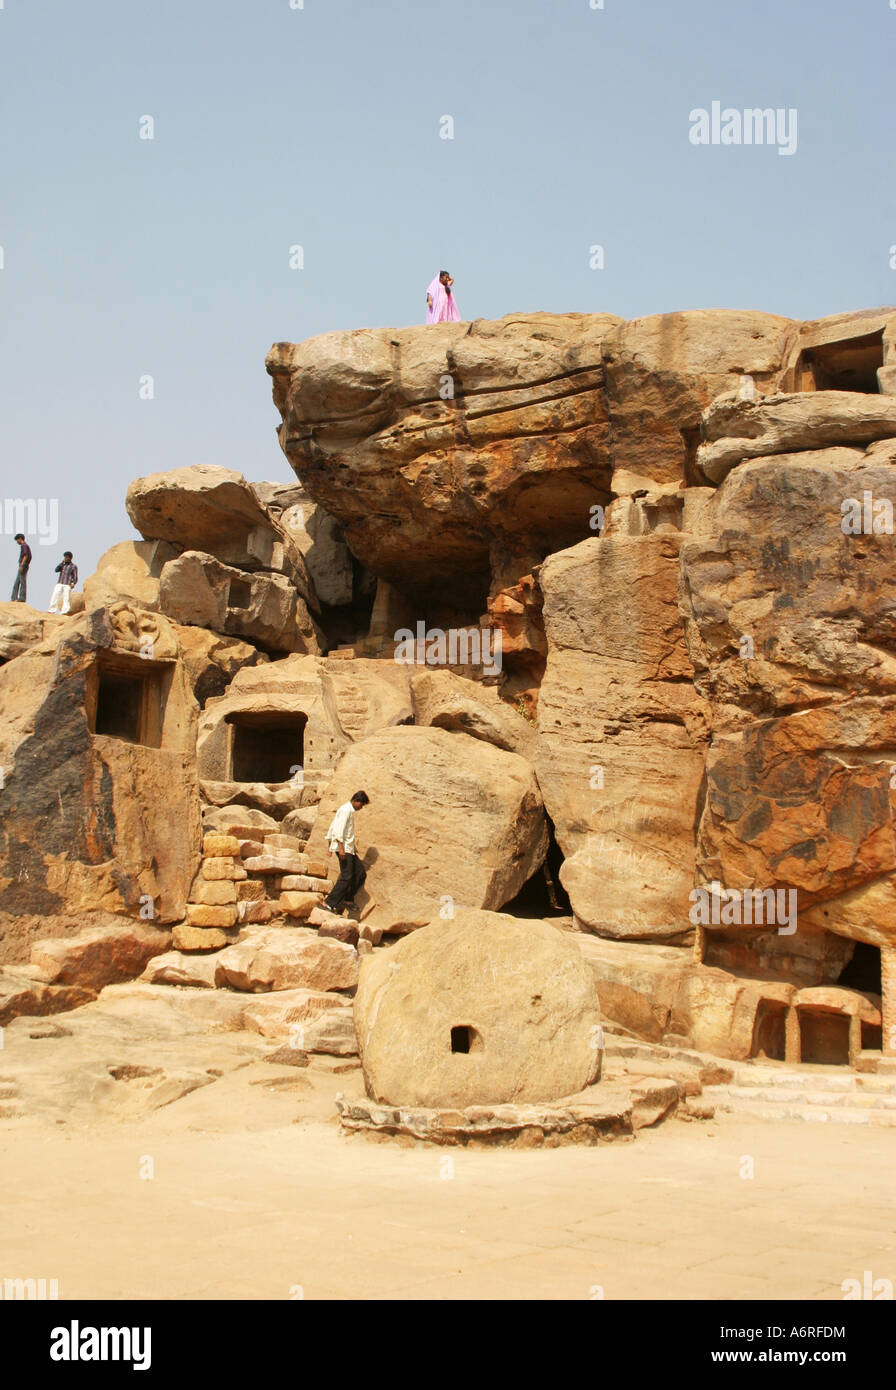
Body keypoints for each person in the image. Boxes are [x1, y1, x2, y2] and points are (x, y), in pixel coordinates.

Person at [323, 790, 370, 916]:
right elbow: (338, 829)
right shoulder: (346, 810)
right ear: (356, 801)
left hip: (349, 849)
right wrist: (340, 848)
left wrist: (330, 846)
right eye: (362, 804)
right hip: (344, 849)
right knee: (347, 876)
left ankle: (348, 899)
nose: (361, 807)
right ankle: (329, 902)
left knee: (360, 873)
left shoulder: (347, 810)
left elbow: (332, 826)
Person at [11, 533, 32, 602]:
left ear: (20, 539)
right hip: (24, 565)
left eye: (17, 540)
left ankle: (22, 598)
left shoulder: (24, 546)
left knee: (22, 581)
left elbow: (25, 556)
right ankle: (14, 598)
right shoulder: (25, 546)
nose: (17, 541)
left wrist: (21, 565)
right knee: (17, 582)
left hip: (23, 565)